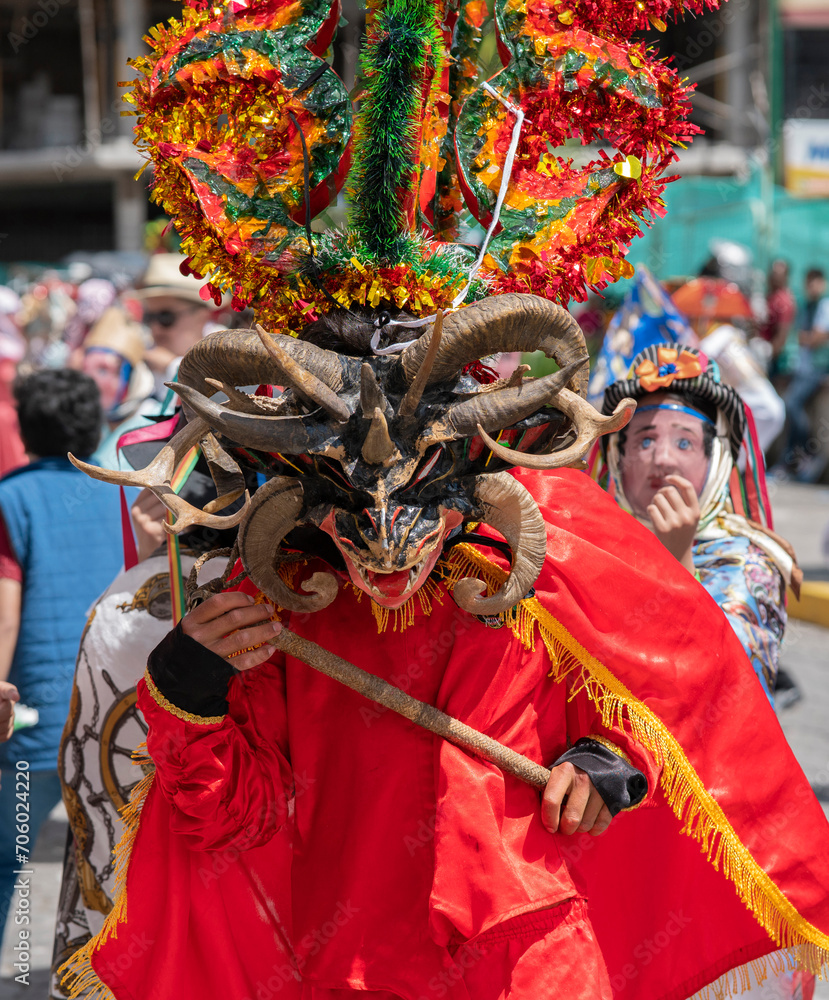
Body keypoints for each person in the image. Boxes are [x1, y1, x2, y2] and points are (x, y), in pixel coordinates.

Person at [600, 346, 810, 996]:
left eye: (683, 440)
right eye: (642, 439)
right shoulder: (580, 545)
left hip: (712, 843)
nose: (660, 457)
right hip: (606, 838)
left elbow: (725, 689)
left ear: (715, 458)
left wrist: (675, 562)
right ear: (615, 456)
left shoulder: (748, 560)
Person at [0, 369, 126, 946]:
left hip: (31, 723)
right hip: (111, 717)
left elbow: (5, 614)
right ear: (94, 425)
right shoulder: (124, 493)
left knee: (7, 863)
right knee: (104, 873)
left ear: (24, 429)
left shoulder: (10, 497)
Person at [132, 253, 224, 401]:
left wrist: (171, 367)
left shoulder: (227, 353)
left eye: (166, 317)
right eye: (149, 317)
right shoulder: (143, 356)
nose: (155, 329)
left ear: (201, 316)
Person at [776, 268, 829, 482]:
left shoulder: (824, 306)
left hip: (816, 368)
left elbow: (816, 338)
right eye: (808, 283)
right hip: (804, 367)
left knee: (791, 404)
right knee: (791, 407)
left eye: (814, 282)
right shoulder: (809, 306)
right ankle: (791, 458)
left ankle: (804, 451)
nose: (811, 287)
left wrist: (806, 338)